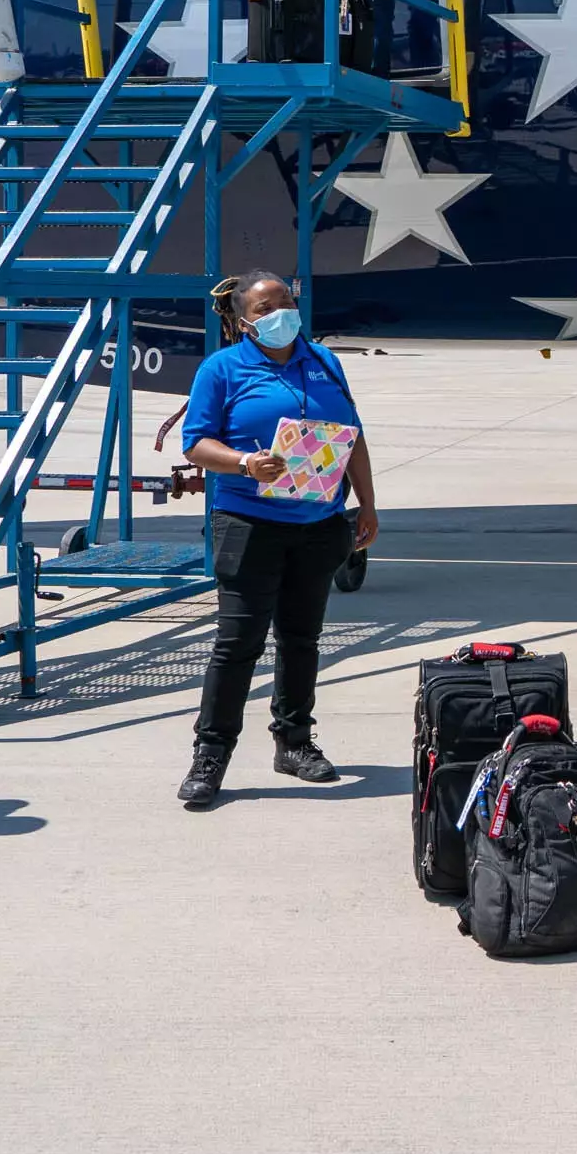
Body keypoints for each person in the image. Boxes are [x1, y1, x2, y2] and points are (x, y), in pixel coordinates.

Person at [175, 271, 380, 809]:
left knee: (301, 638)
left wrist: (368, 504)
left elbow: (352, 437)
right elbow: (196, 444)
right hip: (249, 523)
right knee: (237, 643)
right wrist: (245, 463)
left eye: (285, 301)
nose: (280, 312)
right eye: (266, 307)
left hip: (318, 525)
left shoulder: (324, 361)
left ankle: (293, 741)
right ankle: (210, 755)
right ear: (245, 321)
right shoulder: (222, 369)